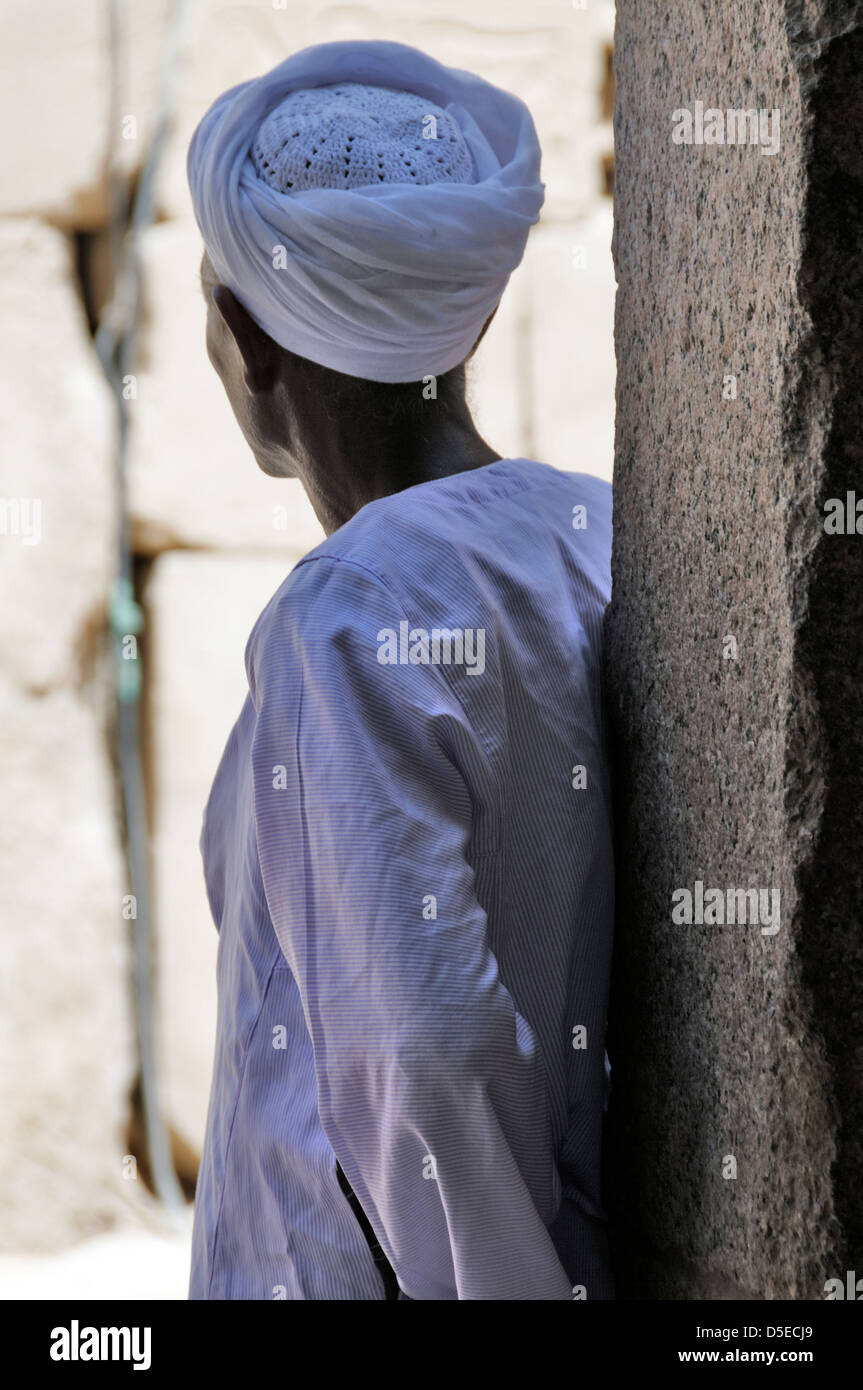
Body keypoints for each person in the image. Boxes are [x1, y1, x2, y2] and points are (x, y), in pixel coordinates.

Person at [186, 37, 614, 1301]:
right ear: (473, 315)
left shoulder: (344, 615)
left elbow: (425, 1051)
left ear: (243, 343)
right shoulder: (591, 537)